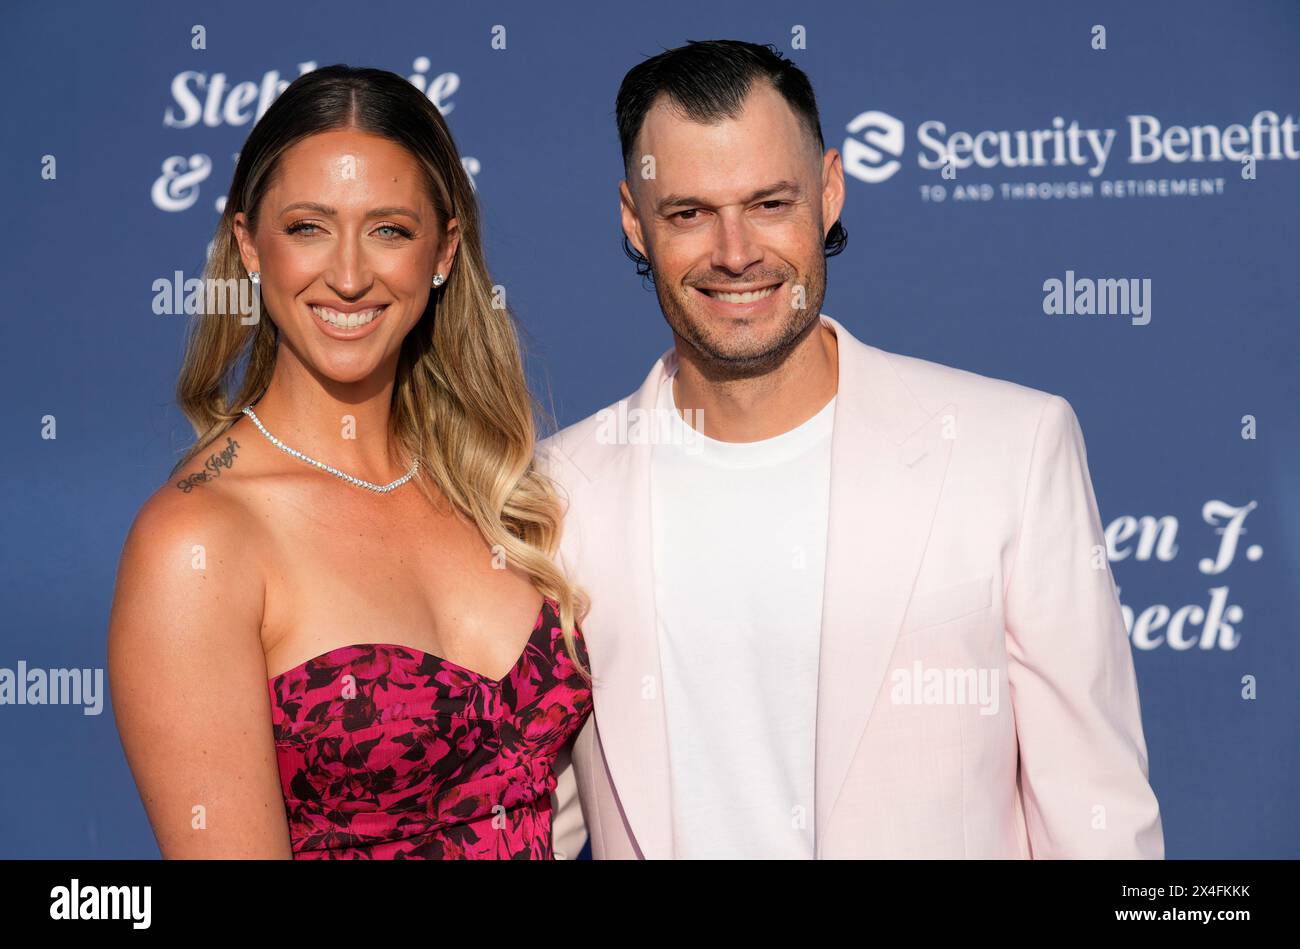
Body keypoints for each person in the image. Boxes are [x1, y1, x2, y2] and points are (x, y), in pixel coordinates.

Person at [543, 40, 1163, 858]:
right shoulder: (554, 495)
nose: (735, 252)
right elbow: (516, 814)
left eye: (770, 203)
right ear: (634, 220)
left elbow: (1098, 818)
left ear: (829, 190)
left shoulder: (1010, 451)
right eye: (689, 213)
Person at [108, 65, 591, 859]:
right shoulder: (196, 541)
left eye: (389, 230)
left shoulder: (503, 492)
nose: (349, 275)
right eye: (308, 227)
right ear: (248, 245)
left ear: (443, 251)